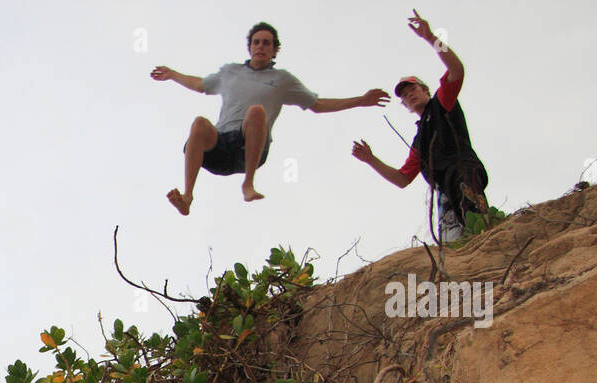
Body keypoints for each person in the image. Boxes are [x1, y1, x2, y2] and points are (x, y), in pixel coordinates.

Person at [152, 21, 388, 215]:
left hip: (250, 149)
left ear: (275, 50)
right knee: (199, 124)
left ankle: (248, 183)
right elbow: (200, 84)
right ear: (250, 47)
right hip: (220, 147)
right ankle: (188, 196)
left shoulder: (283, 79)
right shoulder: (231, 72)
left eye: (267, 43)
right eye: (256, 42)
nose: (261, 47)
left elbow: (317, 104)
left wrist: (360, 100)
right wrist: (173, 74)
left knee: (256, 112)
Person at [351, 10, 490, 242]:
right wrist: (371, 159)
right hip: (443, 192)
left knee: (479, 231)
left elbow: (456, 71)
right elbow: (402, 179)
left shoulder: (441, 104)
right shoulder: (419, 141)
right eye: (405, 96)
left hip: (463, 173)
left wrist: (430, 37)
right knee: (453, 247)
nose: (410, 96)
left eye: (413, 89)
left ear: (425, 90)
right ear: (404, 105)